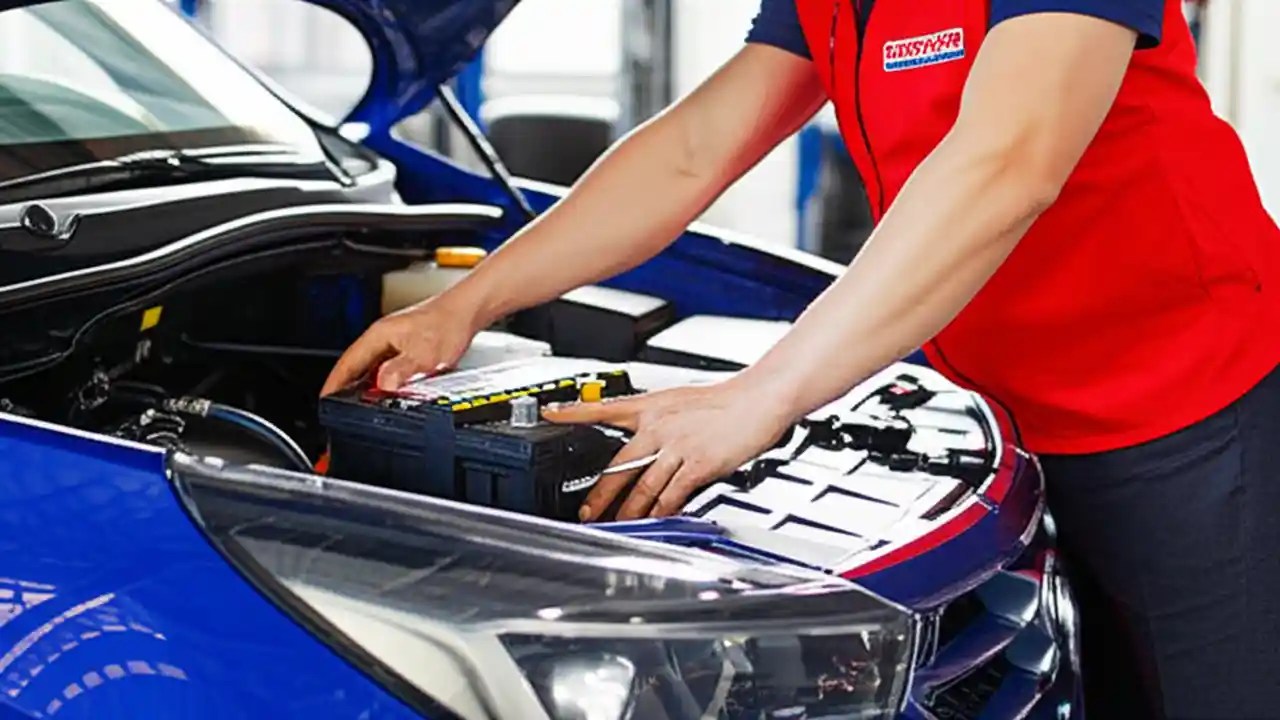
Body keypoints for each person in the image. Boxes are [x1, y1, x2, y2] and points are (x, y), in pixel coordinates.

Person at [323, 0, 1280, 715]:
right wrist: (467, 303)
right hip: (999, 412)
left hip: (1181, 404)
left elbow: (1010, 160)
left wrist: (763, 396)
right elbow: (695, 149)